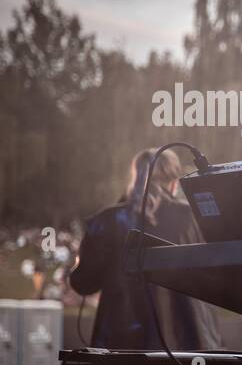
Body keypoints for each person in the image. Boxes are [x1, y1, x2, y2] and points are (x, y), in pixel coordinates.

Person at [69, 148, 221, 350]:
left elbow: (83, 283)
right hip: (187, 349)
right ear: (174, 183)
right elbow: (214, 278)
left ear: (135, 178)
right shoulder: (192, 217)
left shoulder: (107, 220)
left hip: (120, 347)